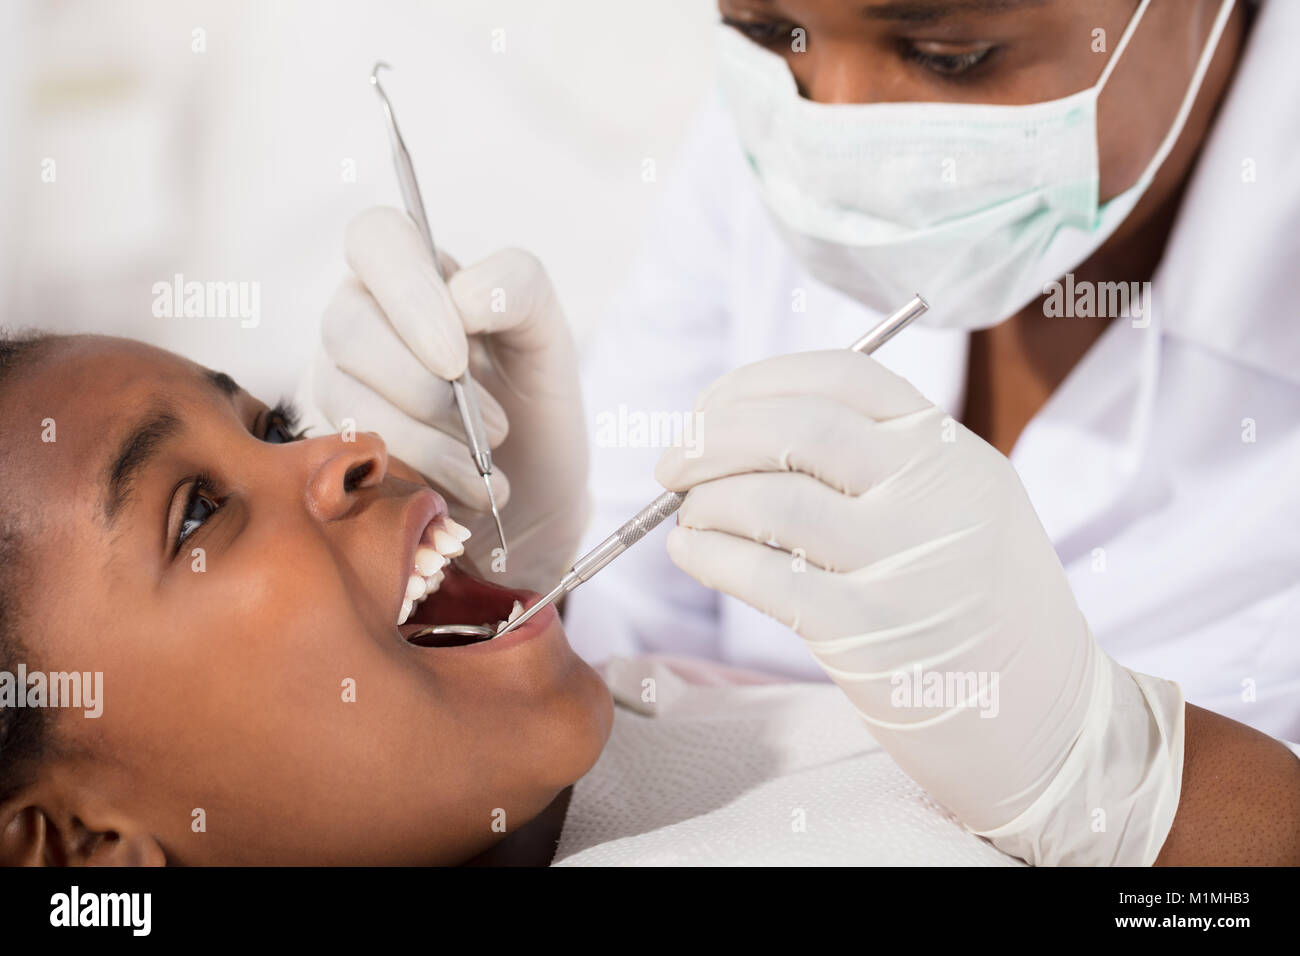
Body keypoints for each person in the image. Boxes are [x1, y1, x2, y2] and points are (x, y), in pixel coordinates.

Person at [300, 0, 1300, 861]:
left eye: (950, 55)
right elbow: (624, 703)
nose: (838, 128)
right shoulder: (787, 132)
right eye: (767, 30)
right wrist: (522, 577)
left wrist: (1117, 786)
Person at [1, 331, 1295, 865]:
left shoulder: (608, 749)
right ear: (79, 848)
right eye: (197, 512)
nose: (341, 447)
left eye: (271, 420)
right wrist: (1120, 792)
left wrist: (1114, 778)